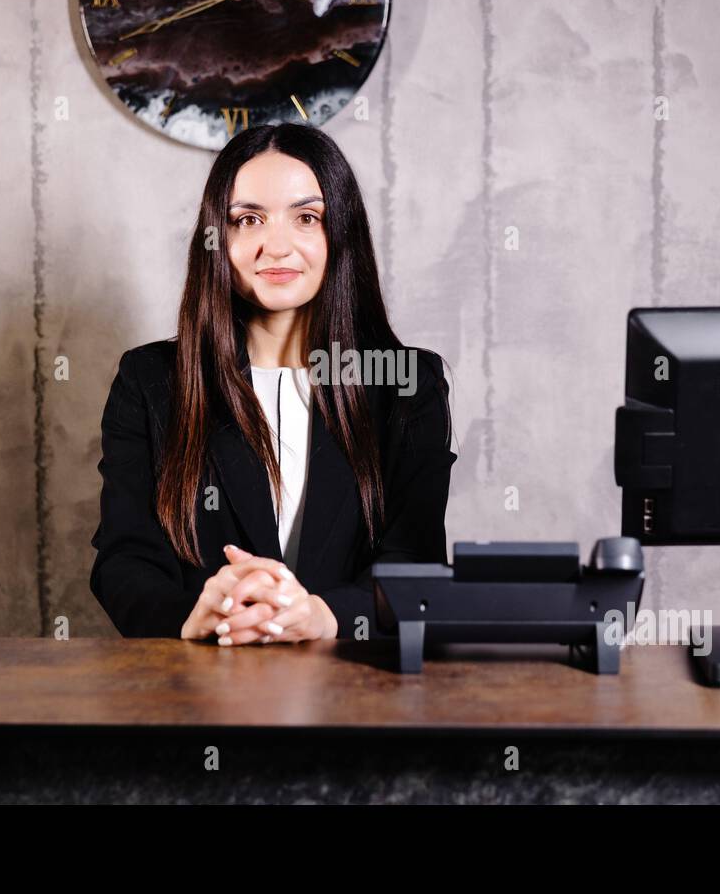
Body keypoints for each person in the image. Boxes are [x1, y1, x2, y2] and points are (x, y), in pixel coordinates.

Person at [90, 122, 456, 645]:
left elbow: (415, 562)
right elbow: (125, 559)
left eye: (306, 217)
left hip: (357, 698)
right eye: (248, 220)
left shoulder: (408, 384)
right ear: (218, 236)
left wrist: (321, 615)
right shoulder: (150, 381)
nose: (276, 247)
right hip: (197, 697)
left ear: (339, 232)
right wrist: (194, 619)